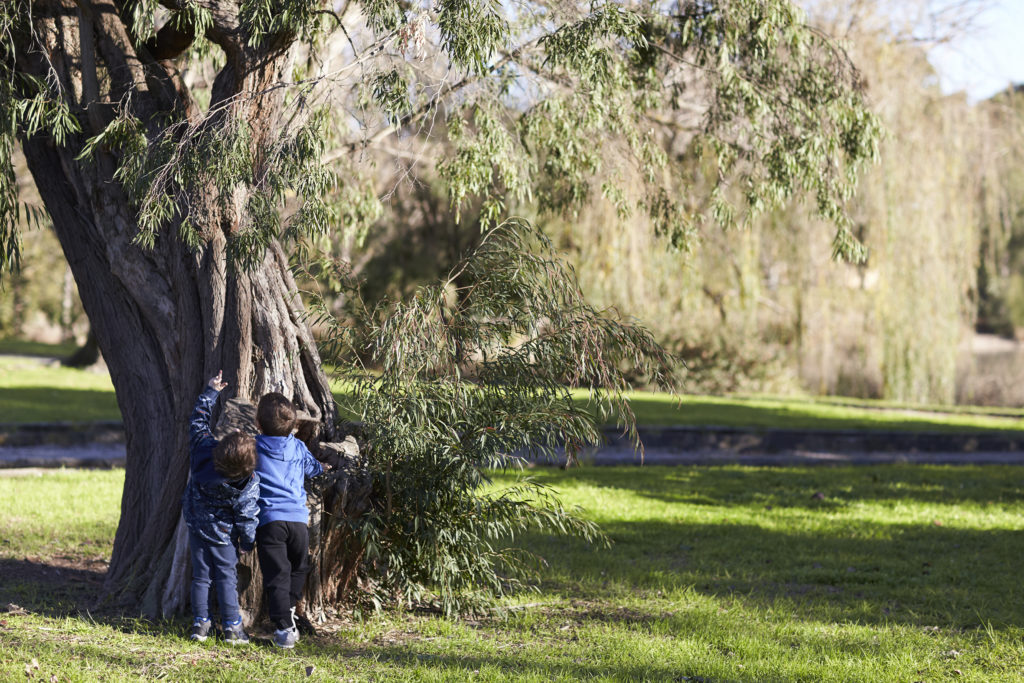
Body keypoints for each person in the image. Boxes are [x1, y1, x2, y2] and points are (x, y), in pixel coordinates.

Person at [182, 371, 260, 645]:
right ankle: (232, 628)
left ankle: (200, 624)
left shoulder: (203, 449)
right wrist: (247, 542)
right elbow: (247, 516)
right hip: (225, 536)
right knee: (227, 578)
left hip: (196, 527)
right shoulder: (247, 482)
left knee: (201, 577)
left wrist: (211, 392)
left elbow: (198, 421)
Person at [253, 392, 323, 649]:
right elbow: (313, 468)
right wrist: (323, 467)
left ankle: (284, 625)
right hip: (297, 520)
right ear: (294, 425)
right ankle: (288, 612)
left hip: (270, 521)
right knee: (299, 567)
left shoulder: (253, 446)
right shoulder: (298, 447)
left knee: (277, 575)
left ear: (258, 424)